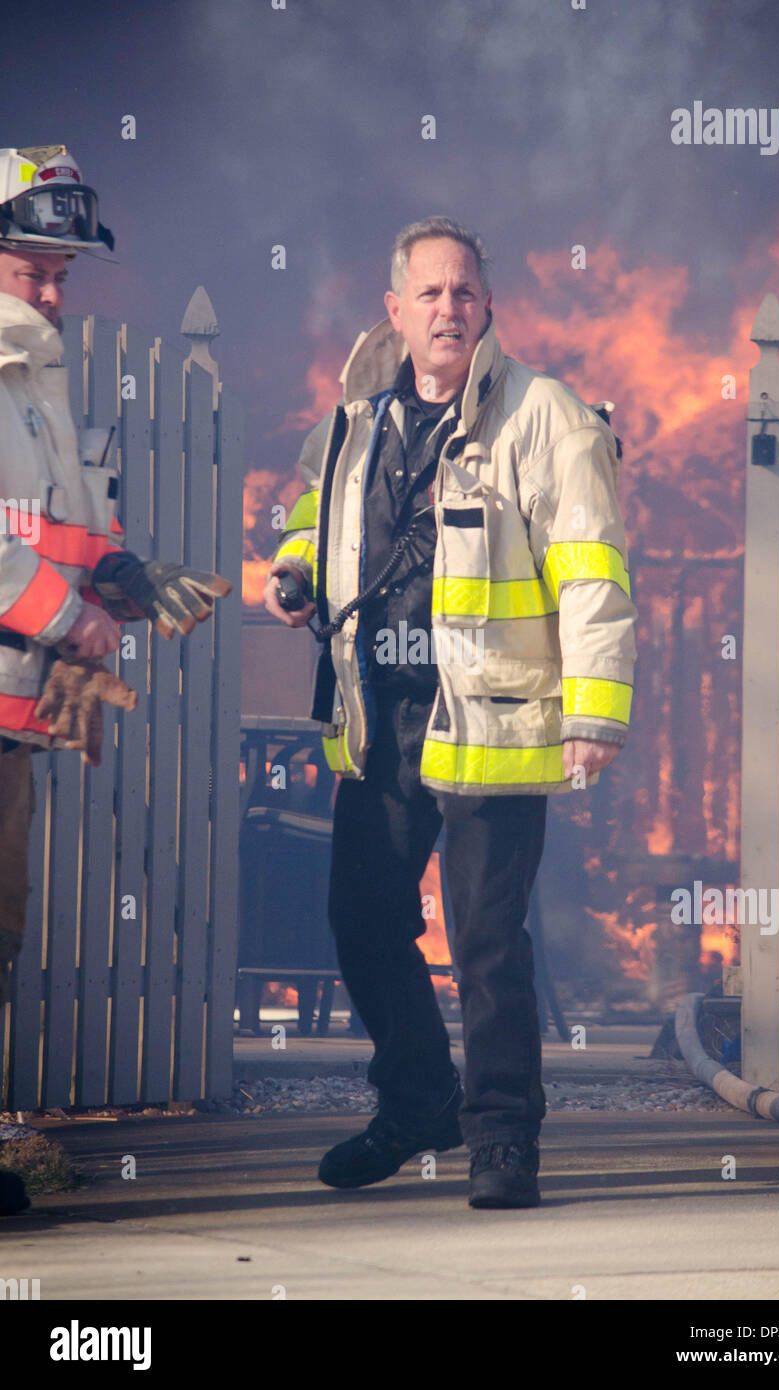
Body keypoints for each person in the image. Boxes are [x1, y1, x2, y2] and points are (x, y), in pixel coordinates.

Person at [263, 216, 637, 1208]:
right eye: (428, 292)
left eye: (464, 291)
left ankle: (504, 1136)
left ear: (489, 310)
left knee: (485, 937)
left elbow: (592, 569)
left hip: (495, 720)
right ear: (394, 310)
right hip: (380, 717)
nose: (447, 307)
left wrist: (593, 711)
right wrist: (292, 571)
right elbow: (312, 517)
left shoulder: (545, 415)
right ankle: (421, 1096)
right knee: (362, 918)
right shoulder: (351, 423)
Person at [0, 145, 230, 1216]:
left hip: (15, 721)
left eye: (62, 272)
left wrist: (129, 576)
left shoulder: (37, 383)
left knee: (4, 918)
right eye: (30, 266)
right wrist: (71, 617)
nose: (51, 290)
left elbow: (64, 527)